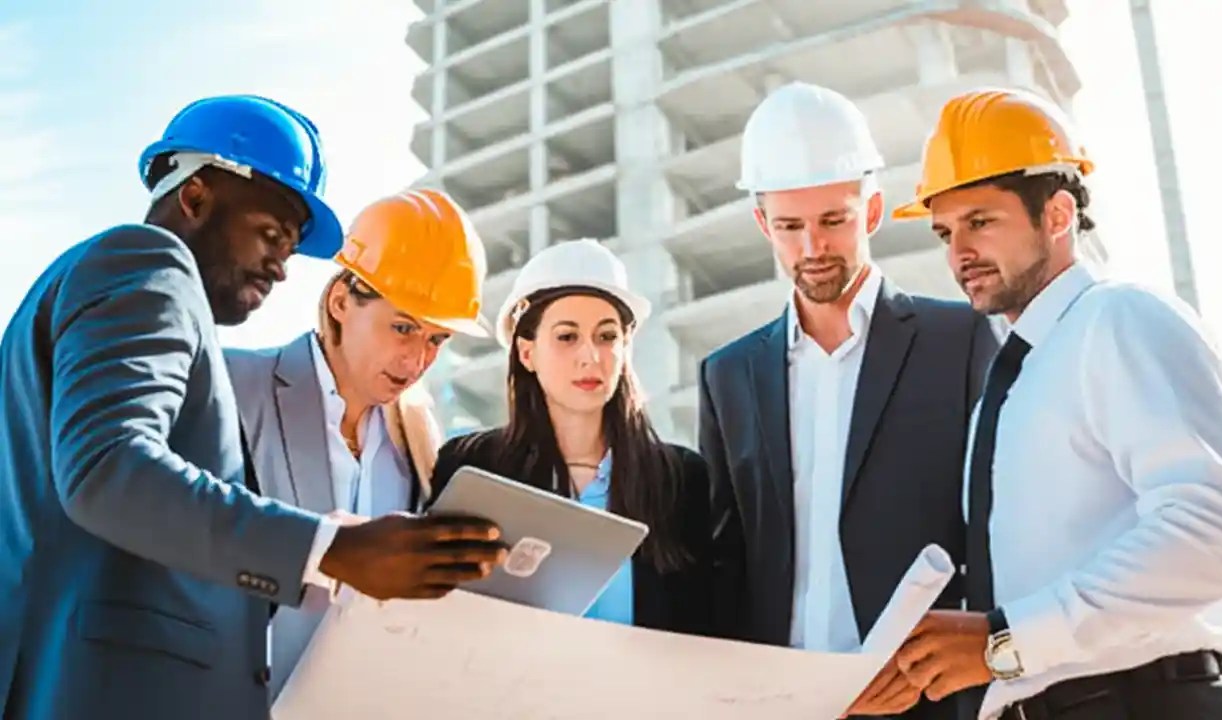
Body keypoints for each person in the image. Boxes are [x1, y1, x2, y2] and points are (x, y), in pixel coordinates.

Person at [0, 95, 507, 720]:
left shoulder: (121, 297)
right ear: (196, 196)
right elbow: (109, 469)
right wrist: (332, 549)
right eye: (271, 234)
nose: (282, 267)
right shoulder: (145, 263)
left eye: (291, 247)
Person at [890, 88, 1222, 720]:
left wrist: (1004, 641)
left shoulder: (1119, 318)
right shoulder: (1011, 384)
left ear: (1058, 216)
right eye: (945, 232)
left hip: (1148, 702)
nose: (959, 253)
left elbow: (1217, 533)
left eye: (981, 222)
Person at [698, 81, 998, 718]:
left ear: (872, 210)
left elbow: (1000, 531)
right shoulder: (727, 376)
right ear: (762, 224)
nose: (812, 248)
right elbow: (726, 563)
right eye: (789, 226)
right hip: (785, 704)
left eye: (833, 220)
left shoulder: (963, 340)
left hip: (927, 699)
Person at [225, 187, 491, 699]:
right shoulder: (234, 386)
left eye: (437, 340)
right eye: (403, 328)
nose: (417, 361)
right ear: (342, 301)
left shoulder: (419, 450)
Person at [429, 238, 723, 635]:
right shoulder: (471, 468)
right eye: (567, 337)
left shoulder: (681, 479)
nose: (591, 356)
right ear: (526, 353)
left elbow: (708, 624)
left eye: (607, 337)